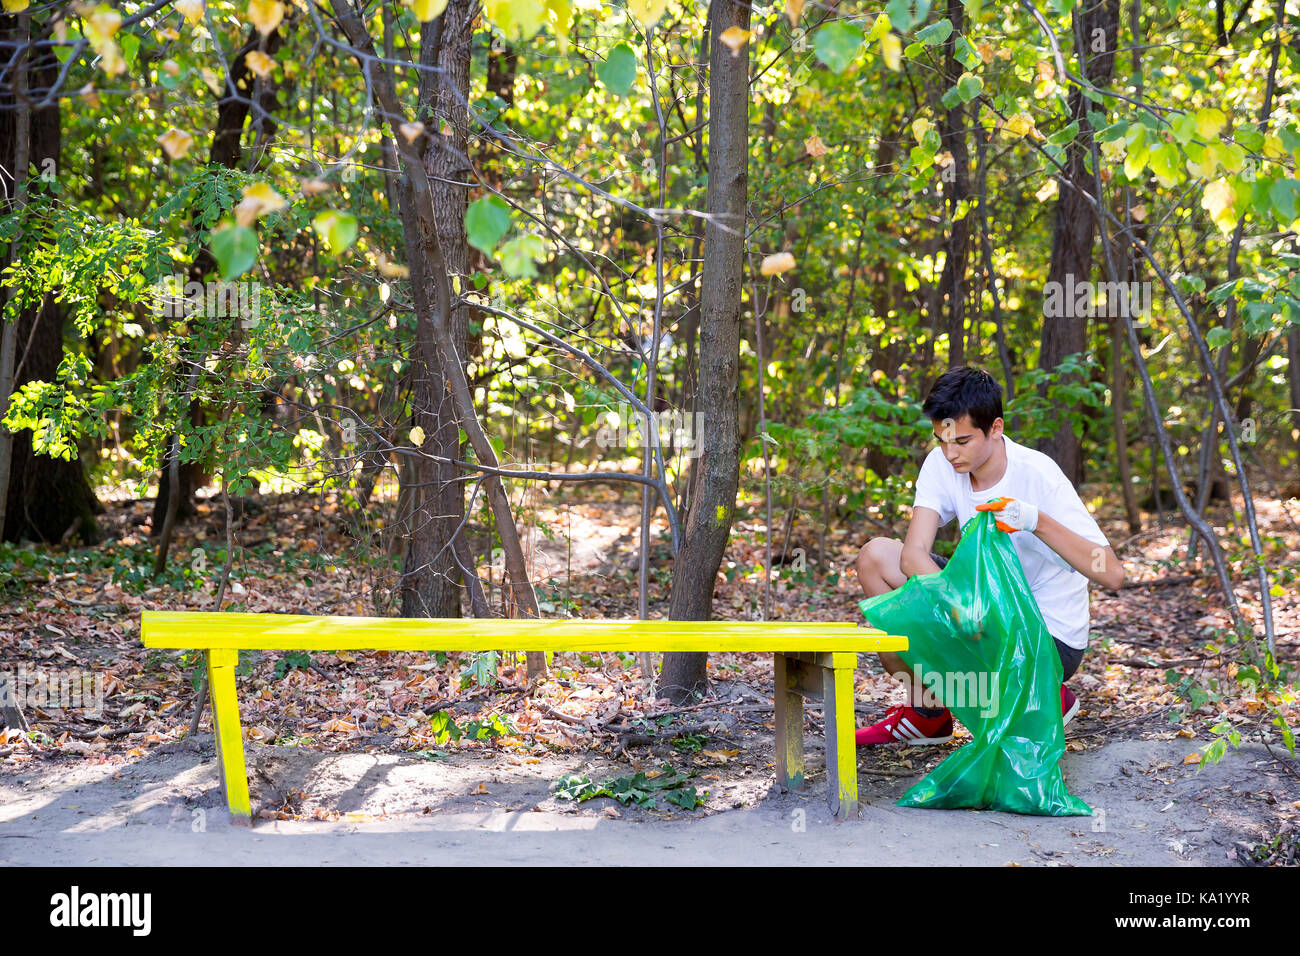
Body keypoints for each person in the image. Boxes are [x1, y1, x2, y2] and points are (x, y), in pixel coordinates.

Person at [854, 366, 1124, 745]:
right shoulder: (942, 462)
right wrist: (959, 605)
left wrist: (1035, 520)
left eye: (962, 442)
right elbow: (912, 555)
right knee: (875, 557)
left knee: (941, 621)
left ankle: (1041, 696)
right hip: (982, 608)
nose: (950, 454)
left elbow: (1111, 573)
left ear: (995, 429)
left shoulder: (1037, 474)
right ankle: (927, 714)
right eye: (941, 441)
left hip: (1045, 635)